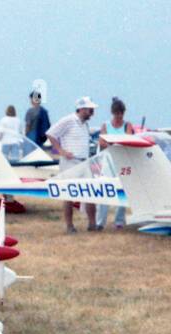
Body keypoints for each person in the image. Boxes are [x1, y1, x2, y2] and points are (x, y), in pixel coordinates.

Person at [47, 96, 97, 233]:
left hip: (84, 161)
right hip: (70, 162)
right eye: (90, 110)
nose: (92, 113)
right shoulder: (68, 120)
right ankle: (69, 225)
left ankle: (92, 224)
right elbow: (51, 134)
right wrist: (61, 151)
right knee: (69, 194)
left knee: (91, 192)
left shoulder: (85, 124)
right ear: (81, 109)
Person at [96, 98, 134, 229]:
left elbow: (128, 139)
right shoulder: (106, 125)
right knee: (104, 188)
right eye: (117, 113)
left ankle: (119, 221)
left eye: (121, 113)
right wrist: (113, 143)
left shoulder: (127, 125)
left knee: (123, 189)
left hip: (122, 159)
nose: (119, 116)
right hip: (108, 160)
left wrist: (113, 142)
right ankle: (100, 222)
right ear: (113, 113)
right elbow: (102, 142)